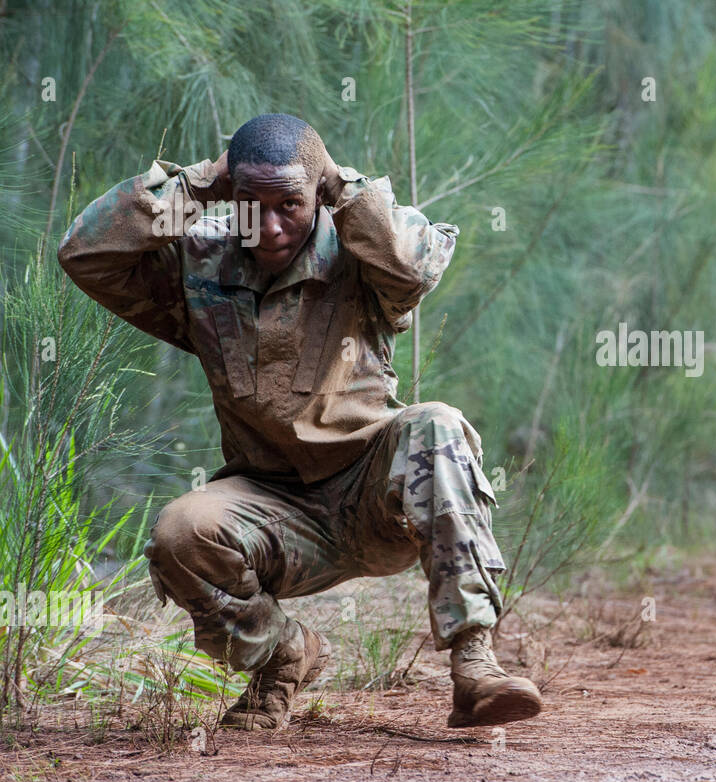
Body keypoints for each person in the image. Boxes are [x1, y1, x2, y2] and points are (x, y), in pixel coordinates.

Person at [58, 113, 543, 730]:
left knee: (436, 425)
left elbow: (416, 268)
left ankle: (475, 661)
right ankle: (283, 656)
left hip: (378, 496)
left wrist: (341, 185)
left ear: (318, 192)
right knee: (180, 531)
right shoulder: (203, 264)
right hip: (272, 508)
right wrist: (200, 185)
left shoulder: (362, 251)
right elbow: (85, 254)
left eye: (290, 202)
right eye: (250, 204)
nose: (270, 225)